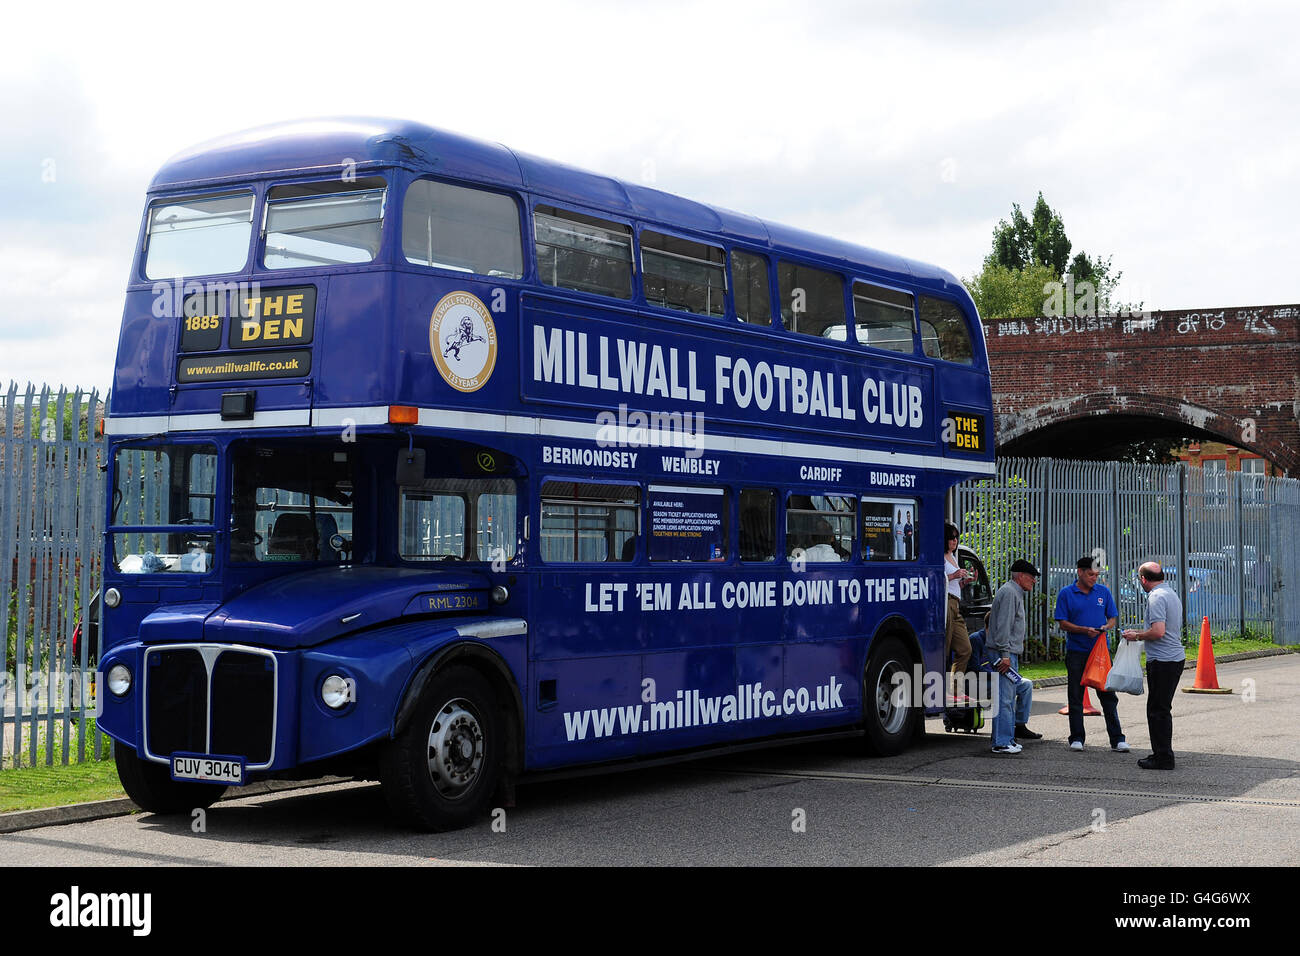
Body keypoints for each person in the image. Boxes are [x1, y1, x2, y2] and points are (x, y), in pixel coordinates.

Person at [1054, 556, 1126, 752]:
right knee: (1075, 696)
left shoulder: (1103, 592)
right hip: (1077, 651)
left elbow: (1112, 617)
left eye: (1097, 575)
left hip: (1100, 653)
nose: (1094, 578)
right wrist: (1083, 630)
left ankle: (1118, 739)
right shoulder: (1067, 593)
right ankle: (1077, 738)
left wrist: (1105, 627)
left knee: (1108, 695)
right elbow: (1062, 622)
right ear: (1079, 572)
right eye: (1090, 574)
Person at [1123, 562, 1185, 769]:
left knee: (1157, 710)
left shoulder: (1156, 597)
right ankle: (1162, 754)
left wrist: (1136, 635)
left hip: (1163, 660)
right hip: (1172, 658)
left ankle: (1163, 757)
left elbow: (1158, 631)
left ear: (1143, 579)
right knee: (1161, 708)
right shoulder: (1169, 593)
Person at [986, 559, 1040, 754]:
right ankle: (1001, 742)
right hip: (1005, 653)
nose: (1034, 581)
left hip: (1006, 652)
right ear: (1021, 576)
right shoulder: (1010, 593)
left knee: (1007, 696)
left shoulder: (1012, 592)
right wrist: (1005, 654)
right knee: (1005, 698)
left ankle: (1006, 738)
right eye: (1032, 577)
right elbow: (1003, 626)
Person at [943, 522, 974, 702]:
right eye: (951, 538)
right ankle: (945, 690)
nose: (954, 541)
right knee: (945, 649)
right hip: (946, 601)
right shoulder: (941, 557)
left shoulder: (953, 556)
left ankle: (956, 689)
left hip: (956, 602)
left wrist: (965, 581)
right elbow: (939, 579)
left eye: (956, 538)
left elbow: (955, 585)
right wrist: (955, 575)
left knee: (965, 648)